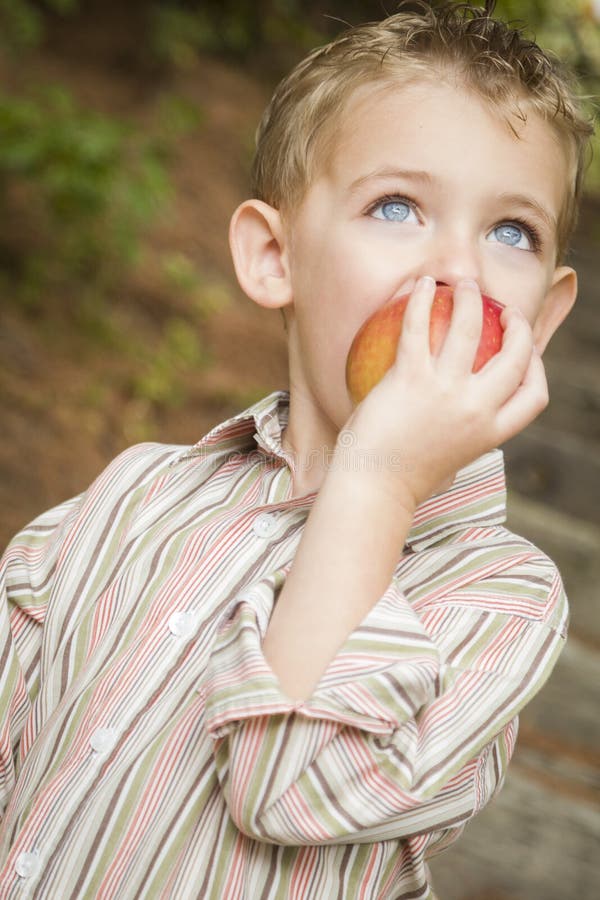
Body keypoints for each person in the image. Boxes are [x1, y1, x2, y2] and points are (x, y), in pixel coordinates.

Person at [0, 1, 595, 897]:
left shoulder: (500, 600)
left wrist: (380, 478)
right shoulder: (135, 493)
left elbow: (291, 789)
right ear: (274, 256)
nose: (459, 271)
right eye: (397, 206)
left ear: (543, 320)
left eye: (511, 231)